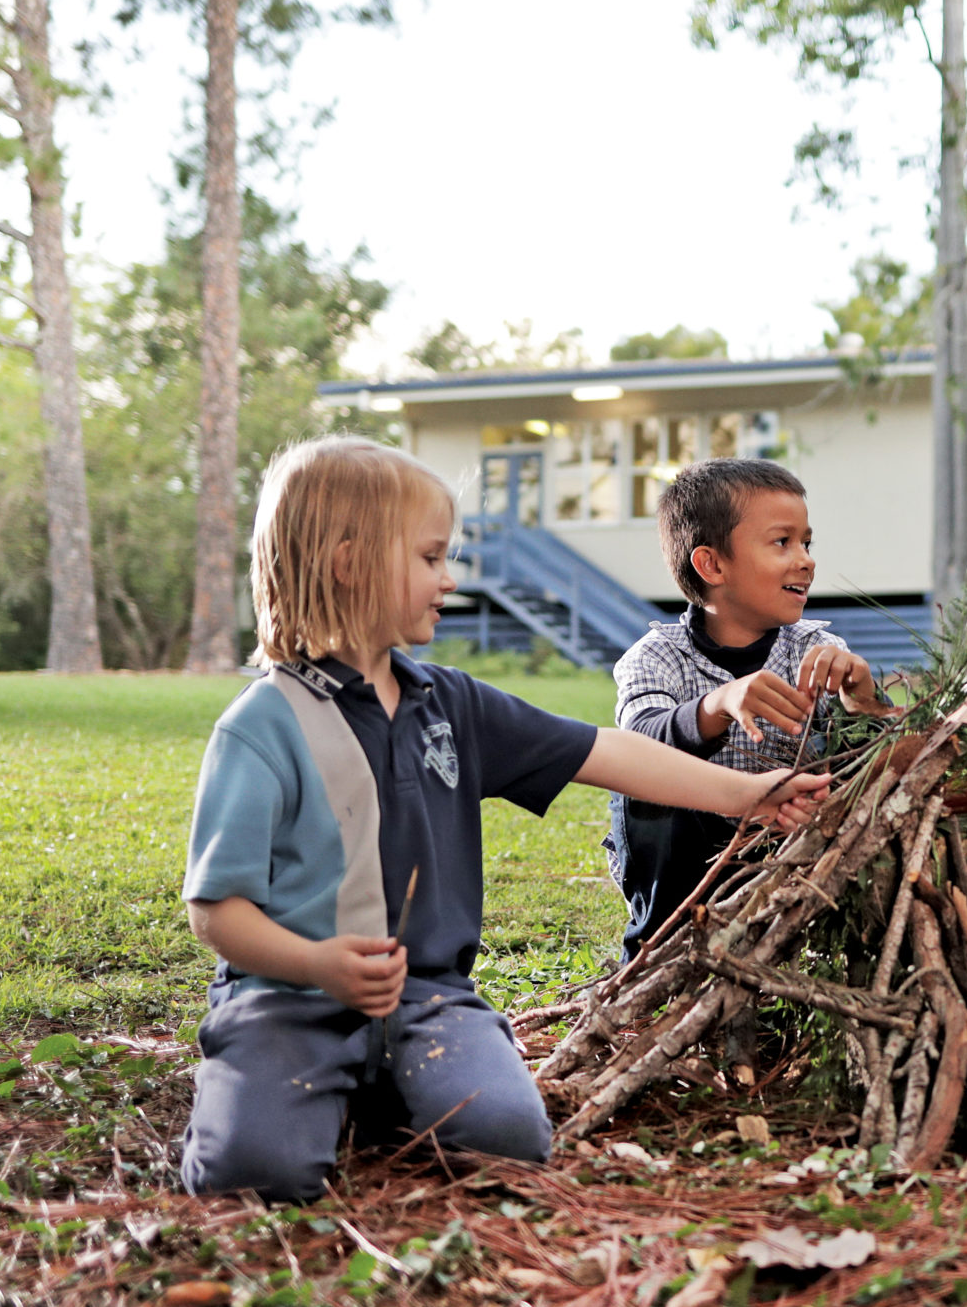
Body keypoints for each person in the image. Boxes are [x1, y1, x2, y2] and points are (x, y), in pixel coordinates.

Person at [177, 437, 828, 1202]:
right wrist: (318, 965)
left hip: (427, 999)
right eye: (428, 559)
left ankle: (369, 1087)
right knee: (257, 1175)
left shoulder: (450, 704)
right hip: (288, 999)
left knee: (509, 1139)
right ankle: (297, 1089)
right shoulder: (263, 725)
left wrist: (749, 794)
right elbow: (215, 909)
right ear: (349, 563)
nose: (448, 578)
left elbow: (607, 752)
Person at [608, 458, 888, 958]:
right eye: (782, 543)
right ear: (712, 565)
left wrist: (861, 697)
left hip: (787, 845)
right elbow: (635, 745)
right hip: (689, 862)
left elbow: (872, 760)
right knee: (643, 791)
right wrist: (717, 704)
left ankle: (836, 950)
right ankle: (658, 954)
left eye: (807, 543)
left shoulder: (816, 650)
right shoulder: (654, 658)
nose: (805, 560)